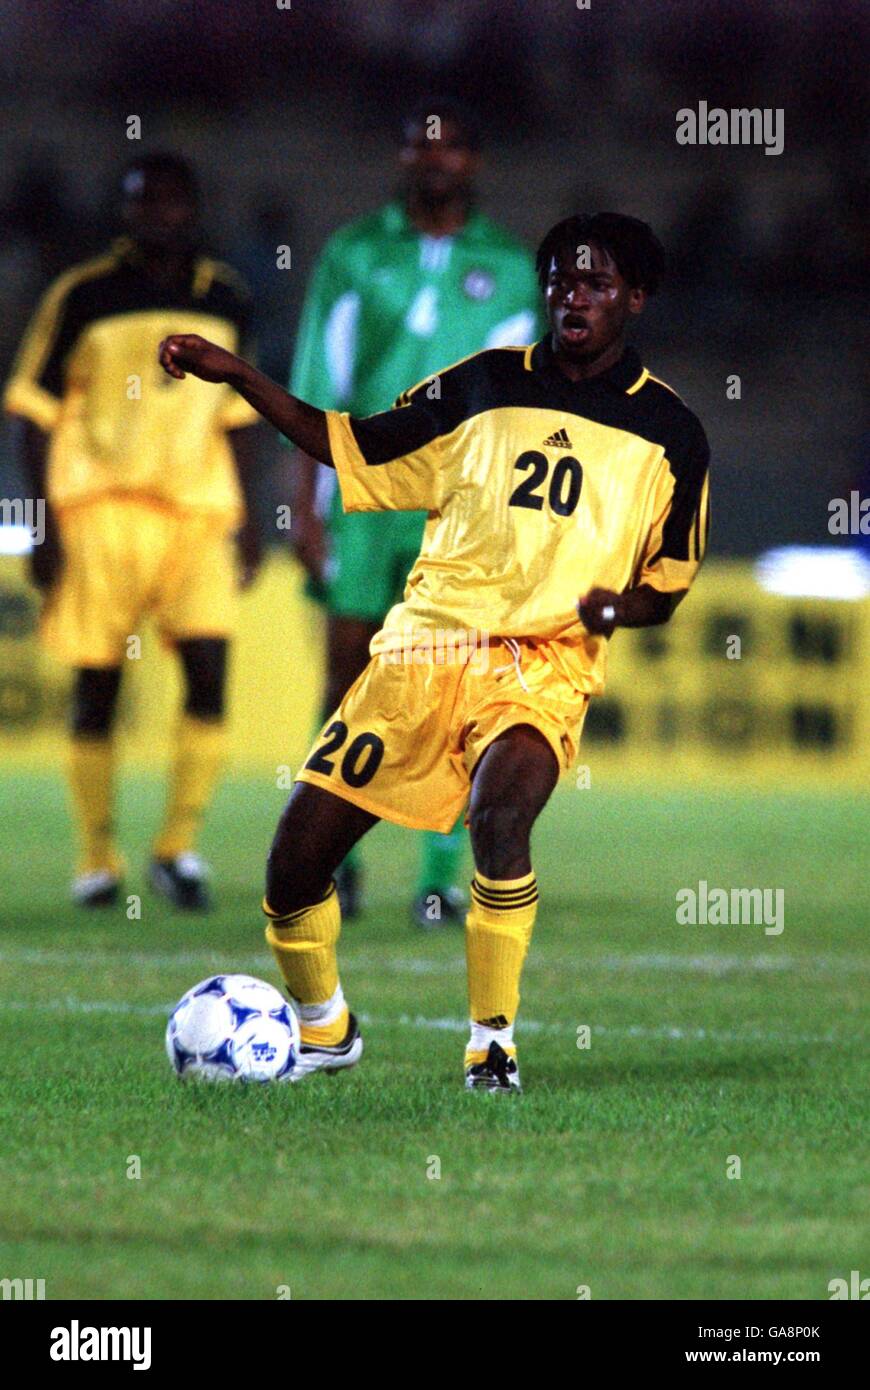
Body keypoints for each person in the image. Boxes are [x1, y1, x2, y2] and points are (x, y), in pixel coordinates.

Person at [158, 212, 711, 1091]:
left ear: (635, 299)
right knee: (294, 868)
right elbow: (350, 444)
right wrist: (237, 376)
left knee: (501, 814)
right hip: (422, 653)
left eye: (597, 284)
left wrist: (618, 605)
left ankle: (491, 1044)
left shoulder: (673, 434)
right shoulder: (480, 385)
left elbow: (669, 584)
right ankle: (325, 1027)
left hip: (543, 662)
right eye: (561, 282)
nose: (574, 297)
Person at [288, 100, 542, 924]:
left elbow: (525, 399)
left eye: (452, 146)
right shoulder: (353, 253)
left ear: (475, 161)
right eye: (420, 142)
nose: (435, 159)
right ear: (401, 156)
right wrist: (304, 500)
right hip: (362, 494)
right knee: (350, 675)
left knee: (458, 688)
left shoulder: (508, 266)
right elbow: (317, 378)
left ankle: (437, 878)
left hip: (466, 504)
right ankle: (340, 864)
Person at [5, 152, 261, 911]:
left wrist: (249, 515)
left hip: (196, 512)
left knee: (211, 674)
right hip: (103, 512)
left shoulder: (229, 297)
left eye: (172, 200)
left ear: (194, 208)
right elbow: (31, 409)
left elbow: (242, 413)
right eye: (142, 200)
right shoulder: (83, 294)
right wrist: (42, 522)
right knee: (98, 686)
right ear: (124, 212)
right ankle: (96, 858)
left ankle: (177, 848)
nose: (158, 213)